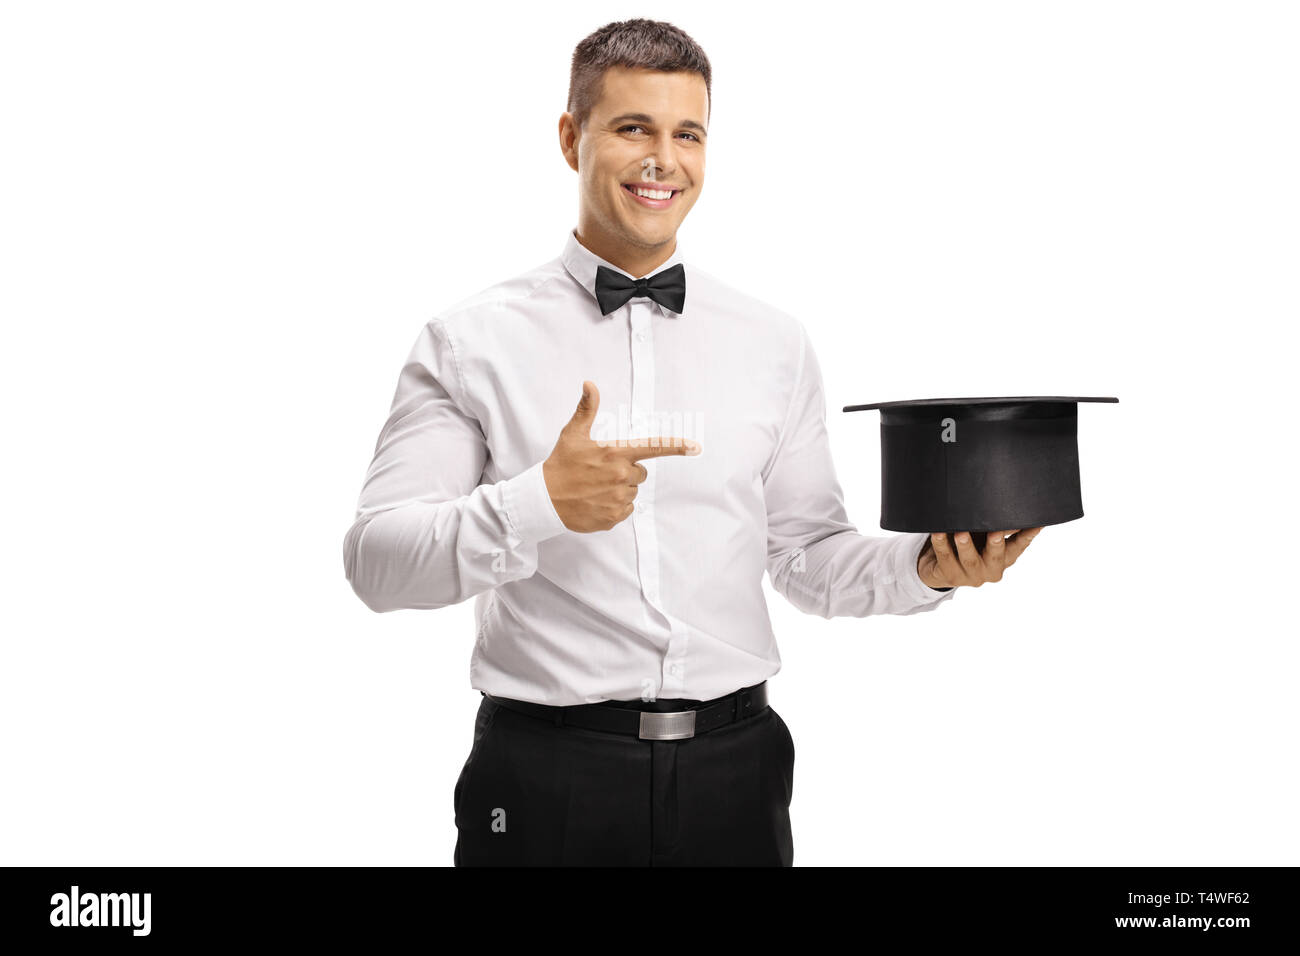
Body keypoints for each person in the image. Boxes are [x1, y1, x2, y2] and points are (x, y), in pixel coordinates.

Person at [342, 17, 1040, 867]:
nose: (661, 159)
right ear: (572, 138)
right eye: (632, 127)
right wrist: (536, 506)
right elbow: (376, 562)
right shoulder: (469, 342)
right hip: (545, 779)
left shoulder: (773, 343)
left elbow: (808, 557)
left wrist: (928, 568)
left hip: (739, 776)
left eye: (687, 134)